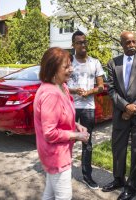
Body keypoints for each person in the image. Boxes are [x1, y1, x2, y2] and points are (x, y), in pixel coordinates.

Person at [102, 31, 136, 200]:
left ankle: (132, 187)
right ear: (122, 44)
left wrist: (133, 109)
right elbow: (110, 89)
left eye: (134, 41)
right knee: (118, 149)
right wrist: (125, 106)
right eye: (128, 42)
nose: (132, 45)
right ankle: (118, 179)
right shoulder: (113, 63)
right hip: (120, 114)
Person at [34, 47, 90, 200]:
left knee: (50, 193)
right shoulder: (50, 94)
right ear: (53, 69)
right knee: (63, 196)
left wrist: (76, 125)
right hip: (56, 156)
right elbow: (50, 133)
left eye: (70, 65)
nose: (71, 69)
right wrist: (77, 135)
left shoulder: (62, 86)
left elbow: (64, 114)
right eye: (66, 67)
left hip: (59, 153)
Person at [67, 30, 105, 189]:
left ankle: (87, 176)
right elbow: (62, 86)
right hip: (71, 106)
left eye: (84, 42)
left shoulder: (95, 62)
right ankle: (64, 171)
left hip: (88, 107)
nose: (83, 45)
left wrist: (89, 92)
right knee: (67, 140)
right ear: (73, 45)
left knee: (87, 142)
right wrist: (75, 91)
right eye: (79, 42)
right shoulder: (69, 63)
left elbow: (101, 86)